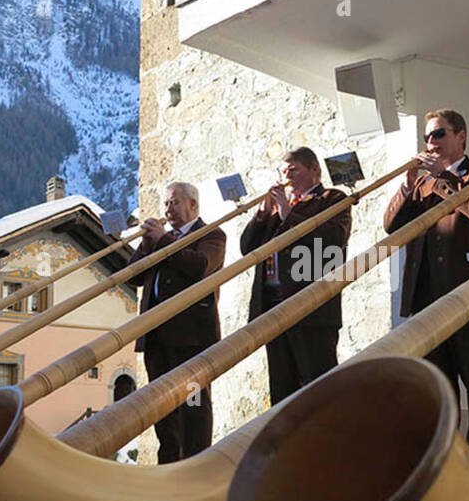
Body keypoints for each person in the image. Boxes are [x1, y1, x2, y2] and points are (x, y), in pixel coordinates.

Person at [385, 109, 469, 474]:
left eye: (438, 135)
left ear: (461, 137)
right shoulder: (420, 183)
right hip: (428, 302)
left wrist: (440, 179)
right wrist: (408, 184)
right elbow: (391, 225)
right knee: (439, 388)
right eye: (427, 138)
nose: (431, 144)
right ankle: (447, 470)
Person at [240, 147, 351, 404]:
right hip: (272, 306)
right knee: (282, 389)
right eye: (284, 170)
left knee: (318, 387)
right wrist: (262, 214)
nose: (286, 176)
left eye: (293, 170)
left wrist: (288, 214)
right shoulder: (280, 207)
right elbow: (247, 248)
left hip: (312, 308)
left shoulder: (331, 199)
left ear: (314, 170)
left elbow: (333, 241)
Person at [125, 180, 226, 462]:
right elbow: (131, 276)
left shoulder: (212, 235)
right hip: (157, 339)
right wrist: (146, 245)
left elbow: (199, 267)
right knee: (162, 409)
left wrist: (163, 241)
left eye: (175, 202)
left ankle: (196, 465)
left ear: (193, 205)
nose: (168, 209)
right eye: (166, 203)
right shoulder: (159, 240)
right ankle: (167, 466)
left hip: (191, 341)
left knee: (193, 406)